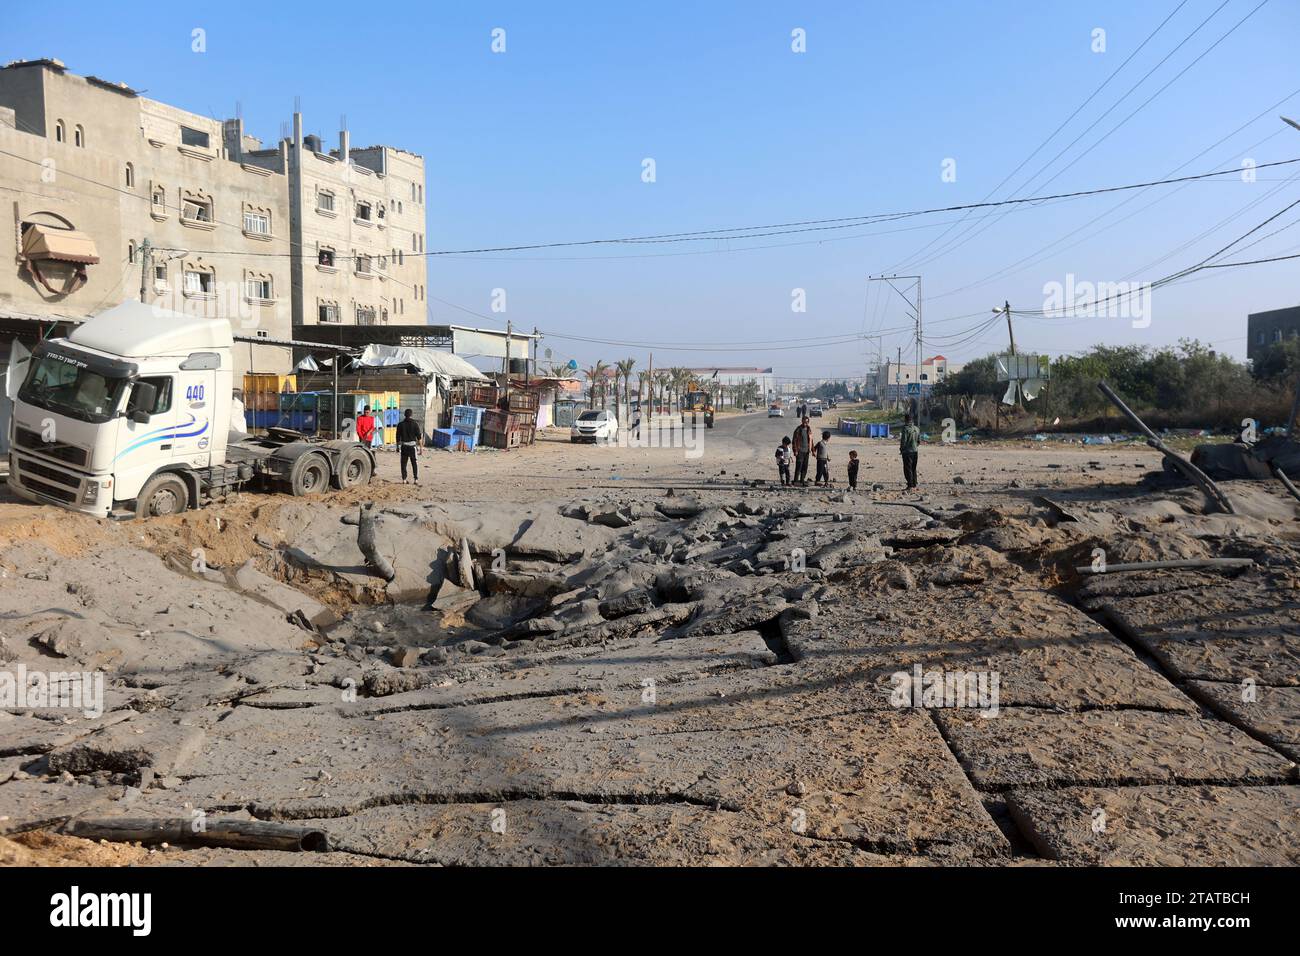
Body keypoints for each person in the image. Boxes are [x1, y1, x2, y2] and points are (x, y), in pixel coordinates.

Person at [397, 408, 422, 484]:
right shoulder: (415, 424)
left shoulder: (400, 424)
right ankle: (415, 479)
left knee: (403, 463)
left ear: (405, 415)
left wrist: (397, 447)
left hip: (404, 446)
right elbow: (419, 437)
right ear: (411, 415)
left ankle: (404, 479)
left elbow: (397, 437)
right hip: (412, 446)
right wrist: (421, 448)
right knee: (414, 463)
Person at [899, 413, 921, 490]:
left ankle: (910, 485)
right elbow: (919, 441)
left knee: (907, 468)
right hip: (915, 451)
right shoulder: (917, 428)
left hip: (907, 452)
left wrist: (901, 449)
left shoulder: (905, 429)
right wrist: (914, 446)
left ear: (906, 420)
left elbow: (903, 441)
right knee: (913, 468)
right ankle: (914, 483)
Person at [791, 415, 813, 485]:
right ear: (802, 421)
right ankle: (796, 481)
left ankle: (802, 480)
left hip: (807, 452)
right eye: (804, 421)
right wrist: (795, 451)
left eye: (806, 422)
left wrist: (813, 450)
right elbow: (794, 441)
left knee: (805, 467)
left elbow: (811, 440)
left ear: (808, 422)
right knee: (799, 466)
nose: (805, 423)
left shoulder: (809, 429)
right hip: (800, 451)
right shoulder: (798, 430)